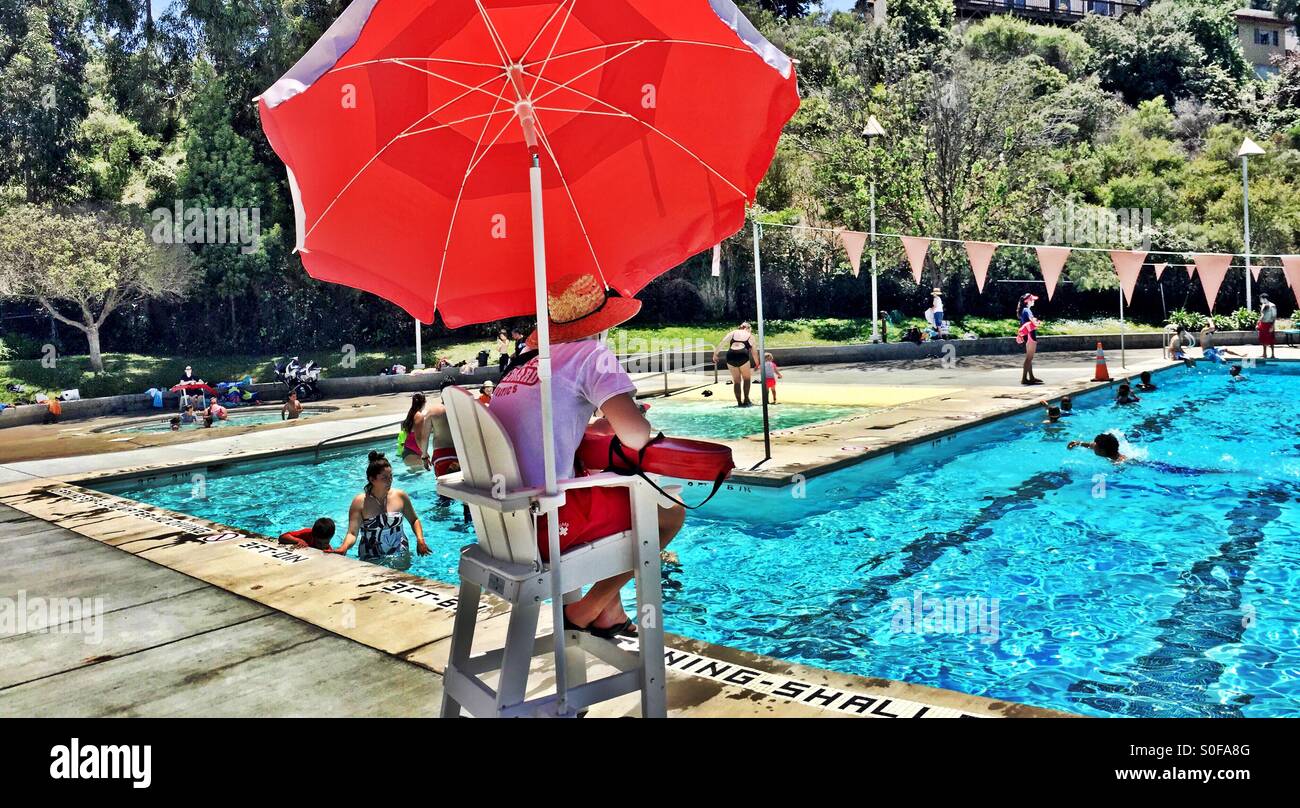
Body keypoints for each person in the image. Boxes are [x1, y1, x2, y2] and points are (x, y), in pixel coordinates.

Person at [491, 274, 686, 638]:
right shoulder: (591, 354)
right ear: (600, 325)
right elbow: (636, 435)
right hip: (549, 528)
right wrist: (632, 418)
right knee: (669, 512)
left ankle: (610, 612)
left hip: (505, 528)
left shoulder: (519, 367)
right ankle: (586, 609)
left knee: (600, 489)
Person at [333, 452, 430, 570]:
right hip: (371, 557)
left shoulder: (400, 496)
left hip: (400, 553)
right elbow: (352, 533)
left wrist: (420, 540)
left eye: (391, 477)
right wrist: (344, 548)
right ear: (372, 479)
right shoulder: (360, 502)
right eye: (384, 478)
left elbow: (414, 520)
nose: (389, 481)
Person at [713, 322, 758, 408]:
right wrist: (757, 364)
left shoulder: (733, 332)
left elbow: (723, 342)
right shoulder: (750, 336)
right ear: (747, 328)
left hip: (731, 355)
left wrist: (715, 354)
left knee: (737, 381)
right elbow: (754, 352)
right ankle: (746, 400)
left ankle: (739, 403)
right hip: (742, 355)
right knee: (747, 379)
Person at [1017, 293, 1043, 385]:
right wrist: (1038, 322)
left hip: (1028, 336)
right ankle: (1024, 379)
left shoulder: (1024, 310)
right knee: (1029, 358)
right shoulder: (1027, 310)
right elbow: (1033, 322)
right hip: (1030, 336)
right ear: (1027, 301)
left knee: (1029, 358)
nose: (1034, 301)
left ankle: (1031, 377)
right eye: (1032, 299)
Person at [1258, 293, 1277, 360]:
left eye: (1261, 299)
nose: (1260, 300)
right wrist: (1258, 323)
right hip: (1263, 324)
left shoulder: (1272, 306)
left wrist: (1272, 326)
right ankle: (1264, 354)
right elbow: (1262, 315)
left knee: (1271, 340)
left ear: (1264, 298)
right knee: (1263, 339)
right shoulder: (1263, 305)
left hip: (1269, 324)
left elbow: (1274, 317)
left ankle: (1272, 354)